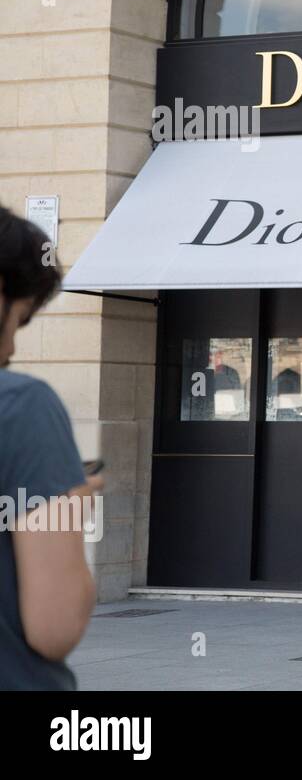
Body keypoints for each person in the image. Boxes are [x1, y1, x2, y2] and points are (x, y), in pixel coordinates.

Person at [0, 205, 99, 690]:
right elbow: (55, 628)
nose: (12, 350)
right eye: (18, 321)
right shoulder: (22, 409)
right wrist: (72, 501)